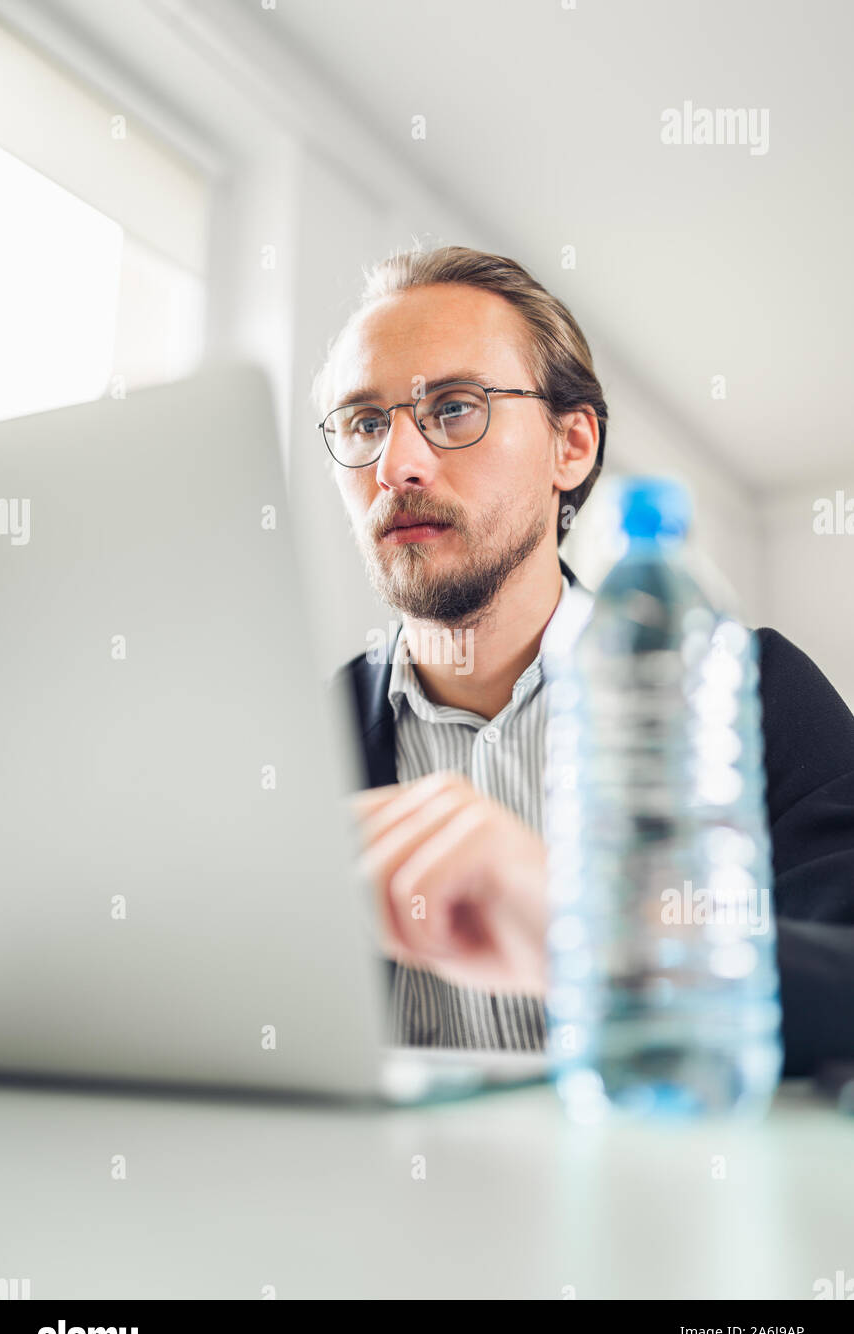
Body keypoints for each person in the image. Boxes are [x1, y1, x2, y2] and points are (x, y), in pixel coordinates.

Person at [315, 244, 854, 1076]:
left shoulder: (747, 689)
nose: (397, 465)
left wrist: (594, 929)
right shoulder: (294, 745)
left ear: (570, 445)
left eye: (454, 408)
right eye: (364, 423)